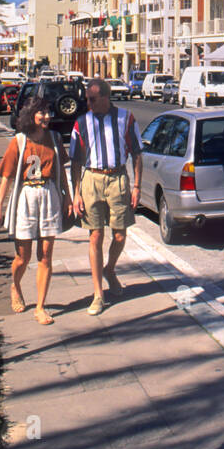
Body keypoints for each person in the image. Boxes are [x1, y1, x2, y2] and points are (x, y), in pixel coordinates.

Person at [0, 97, 73, 324]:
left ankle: (40, 306)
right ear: (31, 115)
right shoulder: (19, 141)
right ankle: (15, 285)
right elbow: (6, 178)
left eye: (48, 112)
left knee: (45, 255)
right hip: (26, 198)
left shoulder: (55, 139)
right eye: (41, 112)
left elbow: (61, 173)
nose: (46, 116)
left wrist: (67, 199)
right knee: (23, 257)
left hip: (49, 196)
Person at [69, 78, 142, 316]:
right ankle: (98, 294)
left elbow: (137, 153)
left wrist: (137, 186)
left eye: (91, 99)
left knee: (120, 234)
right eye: (87, 99)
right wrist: (76, 193)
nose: (87, 103)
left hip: (118, 178)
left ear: (105, 98)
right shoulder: (82, 122)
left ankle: (109, 269)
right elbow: (76, 160)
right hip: (92, 179)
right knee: (95, 236)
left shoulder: (125, 118)